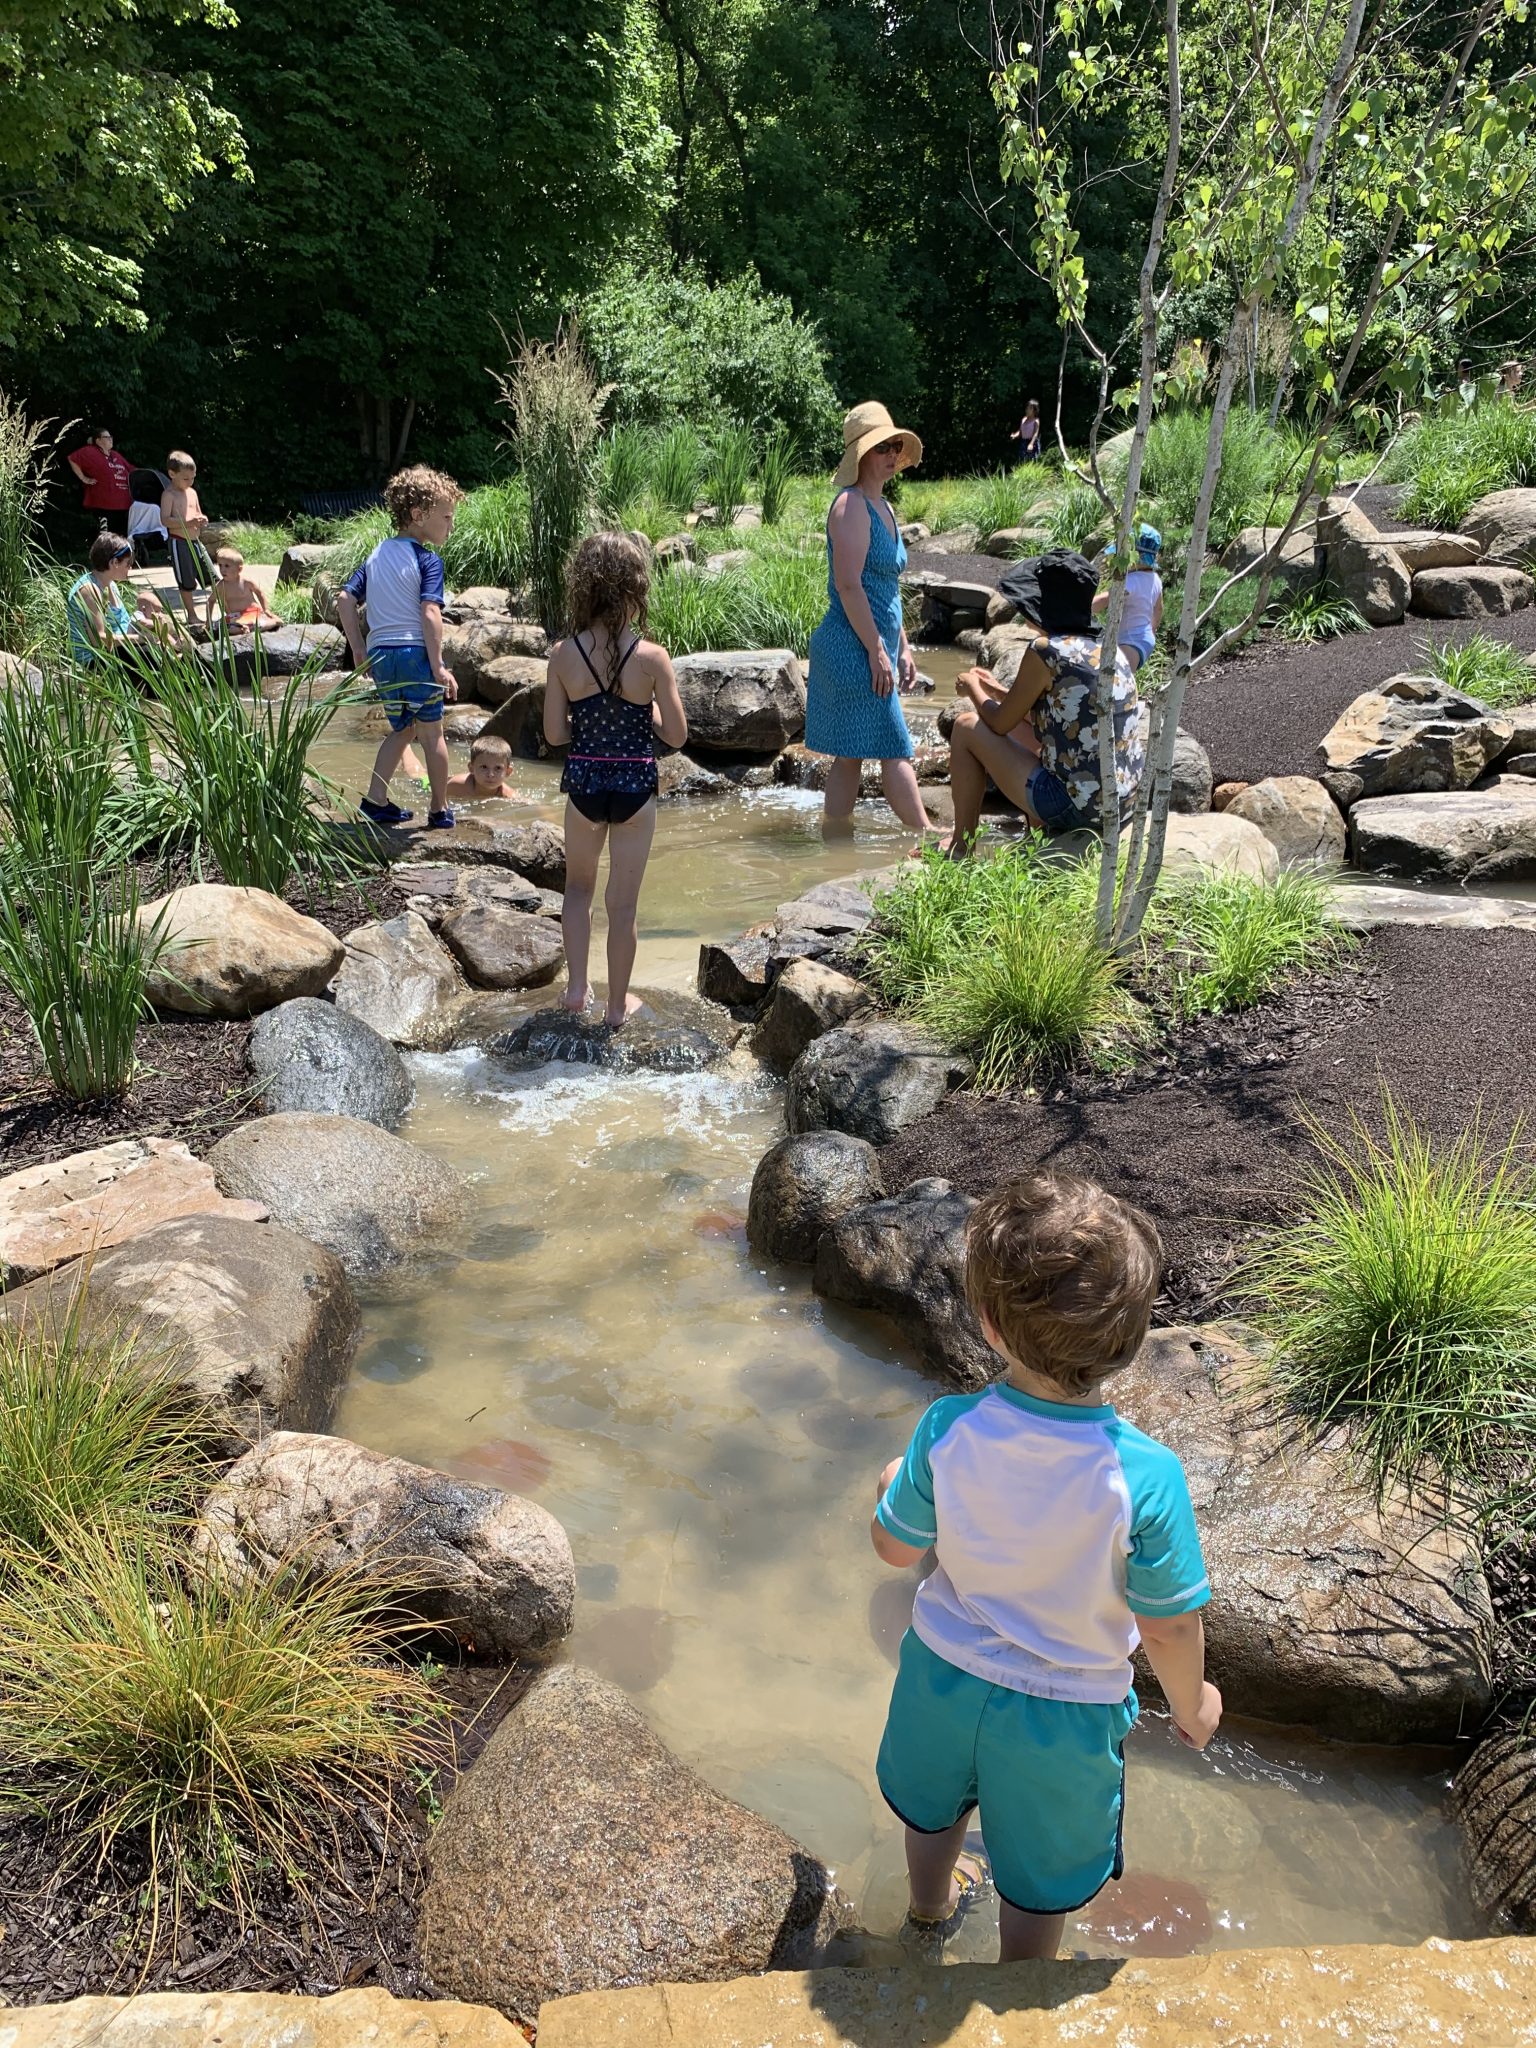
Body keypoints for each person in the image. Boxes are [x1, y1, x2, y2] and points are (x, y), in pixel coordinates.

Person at [869, 1170, 1220, 1964]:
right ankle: (1020, 1991)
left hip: (943, 1676)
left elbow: (895, 1549)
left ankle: (928, 1913)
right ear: (1130, 1344)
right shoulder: (1146, 1476)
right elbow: (1167, 1622)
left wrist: (887, 1489)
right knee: (1039, 1877)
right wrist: (1194, 1705)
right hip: (1065, 1711)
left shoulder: (947, 1428)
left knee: (931, 1813)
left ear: (989, 1327)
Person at [543, 531, 688, 1028]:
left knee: (578, 890)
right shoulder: (652, 658)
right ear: (636, 588)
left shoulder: (563, 655)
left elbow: (555, 734)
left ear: (582, 587)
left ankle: (577, 991)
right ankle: (614, 1009)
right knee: (622, 906)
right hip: (633, 788)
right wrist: (641, 713)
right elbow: (678, 733)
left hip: (584, 783)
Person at [944, 548, 1148, 850]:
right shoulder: (1107, 649)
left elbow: (1000, 724)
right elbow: (1060, 714)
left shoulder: (1046, 650)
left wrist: (972, 686)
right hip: (1120, 804)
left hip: (1077, 808)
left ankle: (960, 850)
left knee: (964, 726)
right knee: (1032, 737)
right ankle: (1035, 841)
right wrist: (997, 691)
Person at [804, 402, 933, 842]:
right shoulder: (850, 505)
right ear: (861, 454)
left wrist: (903, 647)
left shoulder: (885, 508)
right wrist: (878, 651)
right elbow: (848, 586)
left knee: (850, 756)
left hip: (873, 644)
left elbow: (886, 591)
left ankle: (835, 839)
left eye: (896, 446)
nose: (892, 455)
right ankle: (928, 839)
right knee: (895, 745)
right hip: (850, 645)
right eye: (882, 447)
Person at [336, 464, 464, 830]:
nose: (450, 526)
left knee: (404, 729)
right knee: (432, 733)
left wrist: (359, 650)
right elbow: (429, 613)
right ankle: (439, 809)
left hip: (381, 655)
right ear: (418, 515)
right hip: (413, 654)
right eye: (446, 517)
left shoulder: (377, 555)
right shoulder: (427, 559)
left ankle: (376, 801)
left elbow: (345, 599)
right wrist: (438, 665)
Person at [65, 531, 169, 664]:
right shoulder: (89, 590)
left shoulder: (111, 585)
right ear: (115, 562)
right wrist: (143, 638)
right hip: (95, 659)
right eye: (128, 563)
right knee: (153, 655)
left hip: (119, 647)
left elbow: (123, 625)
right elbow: (99, 640)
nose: (130, 567)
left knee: (163, 646)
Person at [1092, 523, 1163, 671]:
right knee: (1124, 678)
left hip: (1129, 642)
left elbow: (1105, 599)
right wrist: (1152, 631)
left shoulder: (1131, 581)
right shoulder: (1154, 578)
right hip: (1144, 639)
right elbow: (1158, 609)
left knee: (1118, 679)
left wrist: (1083, 607)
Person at [160, 451, 215, 622]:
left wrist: (200, 519)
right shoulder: (169, 494)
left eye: (193, 478)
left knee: (213, 578)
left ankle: (217, 612)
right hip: (180, 542)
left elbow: (196, 512)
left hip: (196, 541)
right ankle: (192, 615)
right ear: (172, 474)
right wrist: (188, 521)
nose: (190, 482)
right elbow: (165, 520)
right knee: (186, 581)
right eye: (186, 478)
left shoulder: (192, 492)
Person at [66, 428, 134, 547]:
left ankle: (120, 560)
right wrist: (83, 478)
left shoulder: (115, 455)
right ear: (98, 441)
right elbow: (72, 458)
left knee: (121, 537)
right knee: (106, 537)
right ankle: (104, 561)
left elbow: (131, 470)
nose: (110, 439)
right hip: (104, 504)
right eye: (107, 437)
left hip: (123, 504)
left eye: (111, 437)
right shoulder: (90, 452)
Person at [205, 547, 280, 633]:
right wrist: (208, 620)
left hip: (251, 612)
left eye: (227, 566)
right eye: (220, 565)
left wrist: (266, 609)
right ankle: (243, 629)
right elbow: (210, 601)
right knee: (221, 627)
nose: (222, 570)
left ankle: (274, 622)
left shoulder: (246, 582)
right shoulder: (221, 586)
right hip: (235, 616)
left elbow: (260, 593)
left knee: (260, 623)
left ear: (239, 569)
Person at [446, 734, 519, 803]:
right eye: (484, 767)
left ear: (508, 772)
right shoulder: (455, 786)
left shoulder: (509, 797)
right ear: (471, 768)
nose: (490, 774)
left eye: (498, 768)